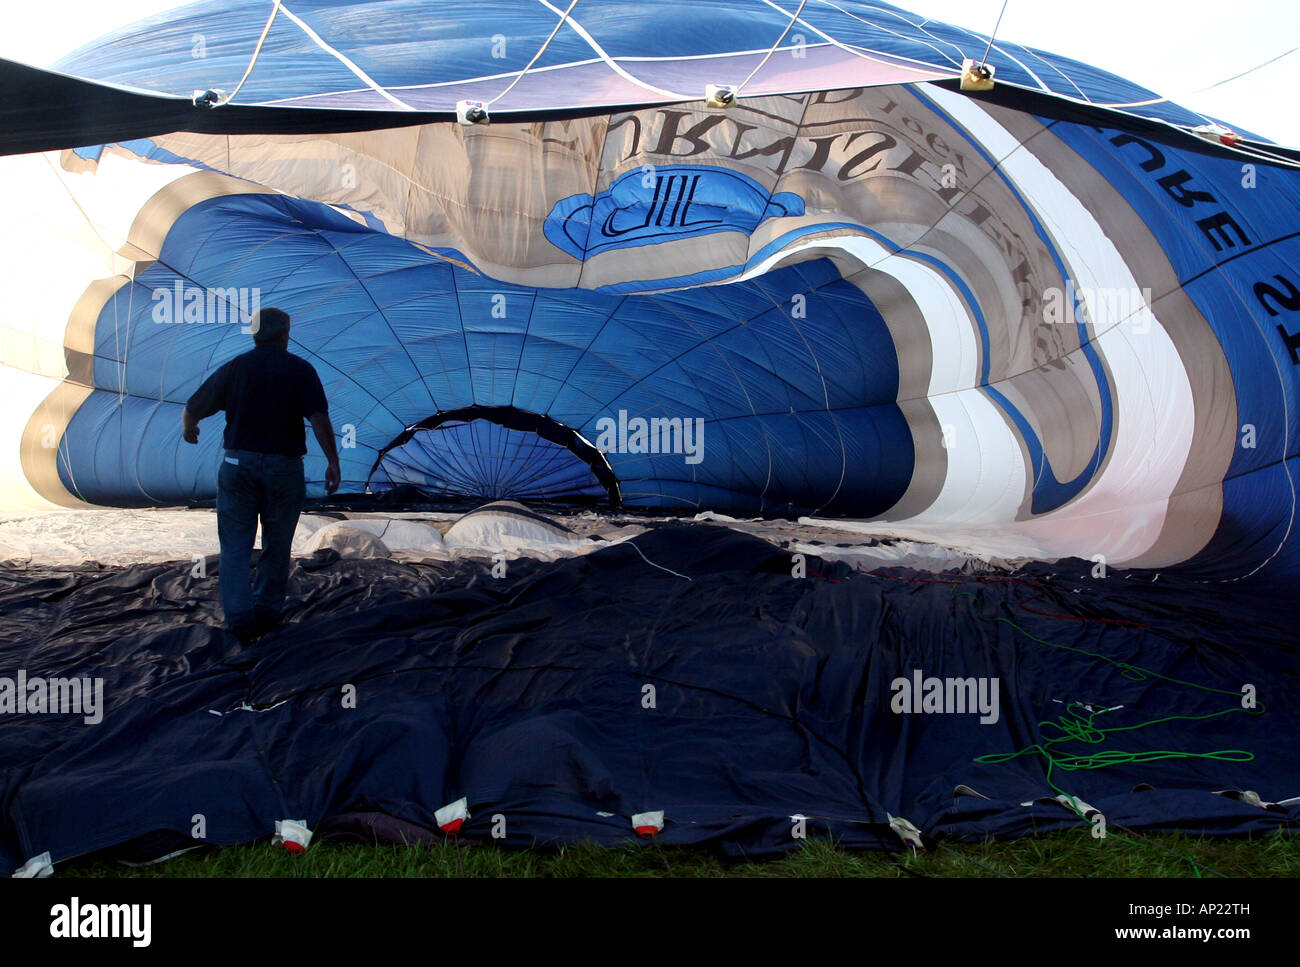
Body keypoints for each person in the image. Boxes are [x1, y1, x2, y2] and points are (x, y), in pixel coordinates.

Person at [181, 307, 341, 641]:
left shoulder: (235, 368)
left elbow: (194, 405)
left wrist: (189, 427)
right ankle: (267, 612)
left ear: (255, 335)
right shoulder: (300, 370)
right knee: (277, 544)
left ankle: (239, 620)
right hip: (284, 469)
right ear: (285, 334)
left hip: (238, 467)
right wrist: (332, 462)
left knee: (236, 547)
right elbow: (319, 418)